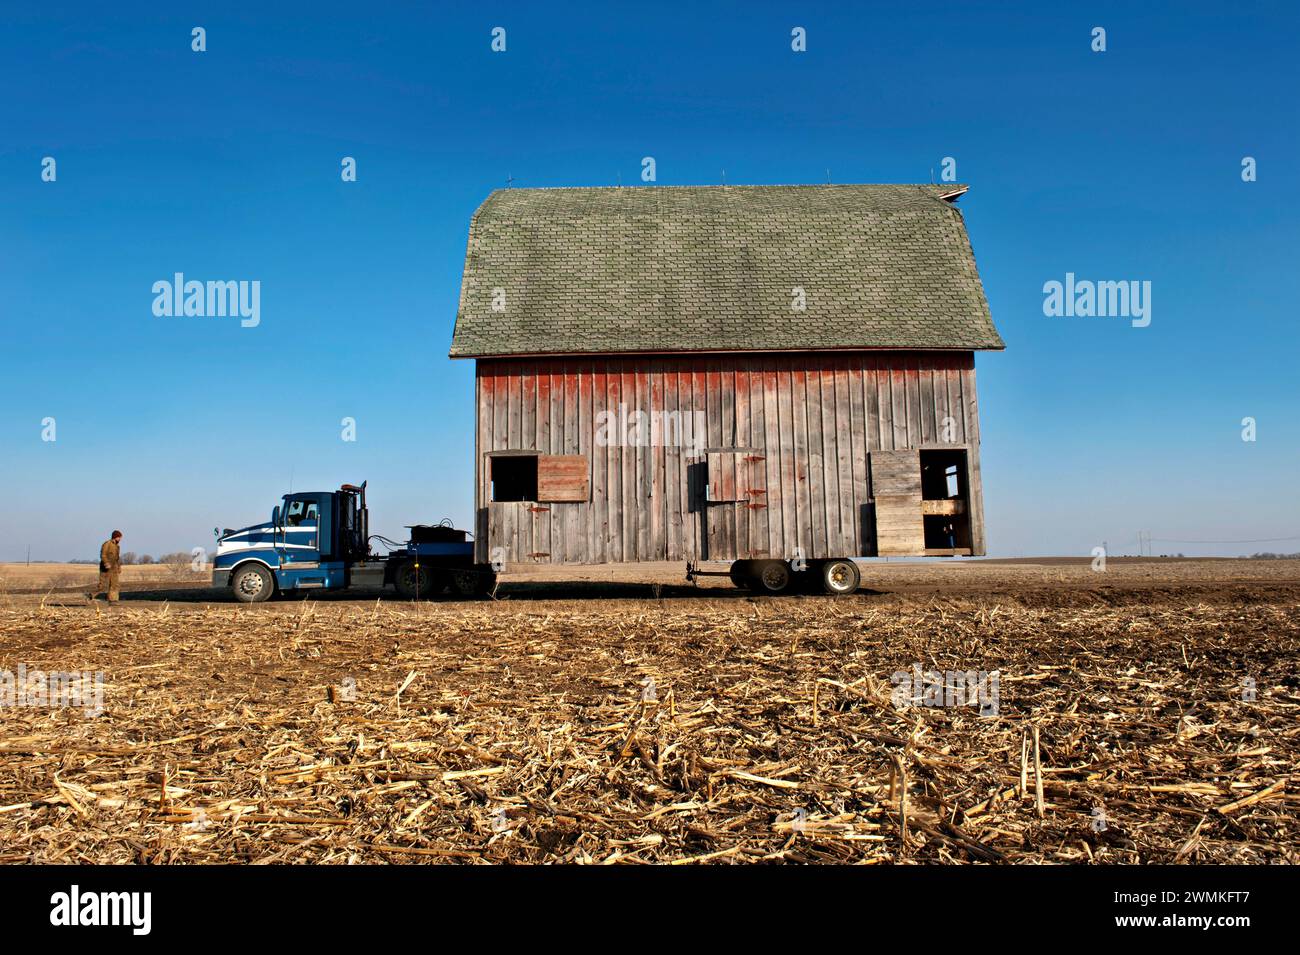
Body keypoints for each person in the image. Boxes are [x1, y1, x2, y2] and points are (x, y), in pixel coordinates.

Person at [90, 530, 123, 602]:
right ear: (115, 537)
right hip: (105, 568)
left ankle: (113, 600)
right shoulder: (107, 544)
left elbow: (117, 558)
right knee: (102, 586)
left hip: (114, 568)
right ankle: (90, 595)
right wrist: (106, 563)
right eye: (119, 537)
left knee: (114, 584)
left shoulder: (117, 546)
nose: (120, 539)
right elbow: (103, 555)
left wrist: (119, 567)